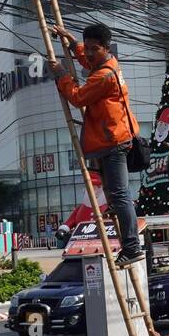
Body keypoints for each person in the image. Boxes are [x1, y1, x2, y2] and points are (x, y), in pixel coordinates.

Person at [48, 23, 143, 267]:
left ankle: (132, 247)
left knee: (120, 196)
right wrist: (72, 43)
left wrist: (61, 75)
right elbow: (88, 62)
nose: (89, 53)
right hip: (110, 138)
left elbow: (78, 97)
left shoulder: (104, 75)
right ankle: (127, 239)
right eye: (87, 47)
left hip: (112, 140)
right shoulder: (106, 65)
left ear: (106, 48)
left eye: (94, 49)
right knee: (115, 194)